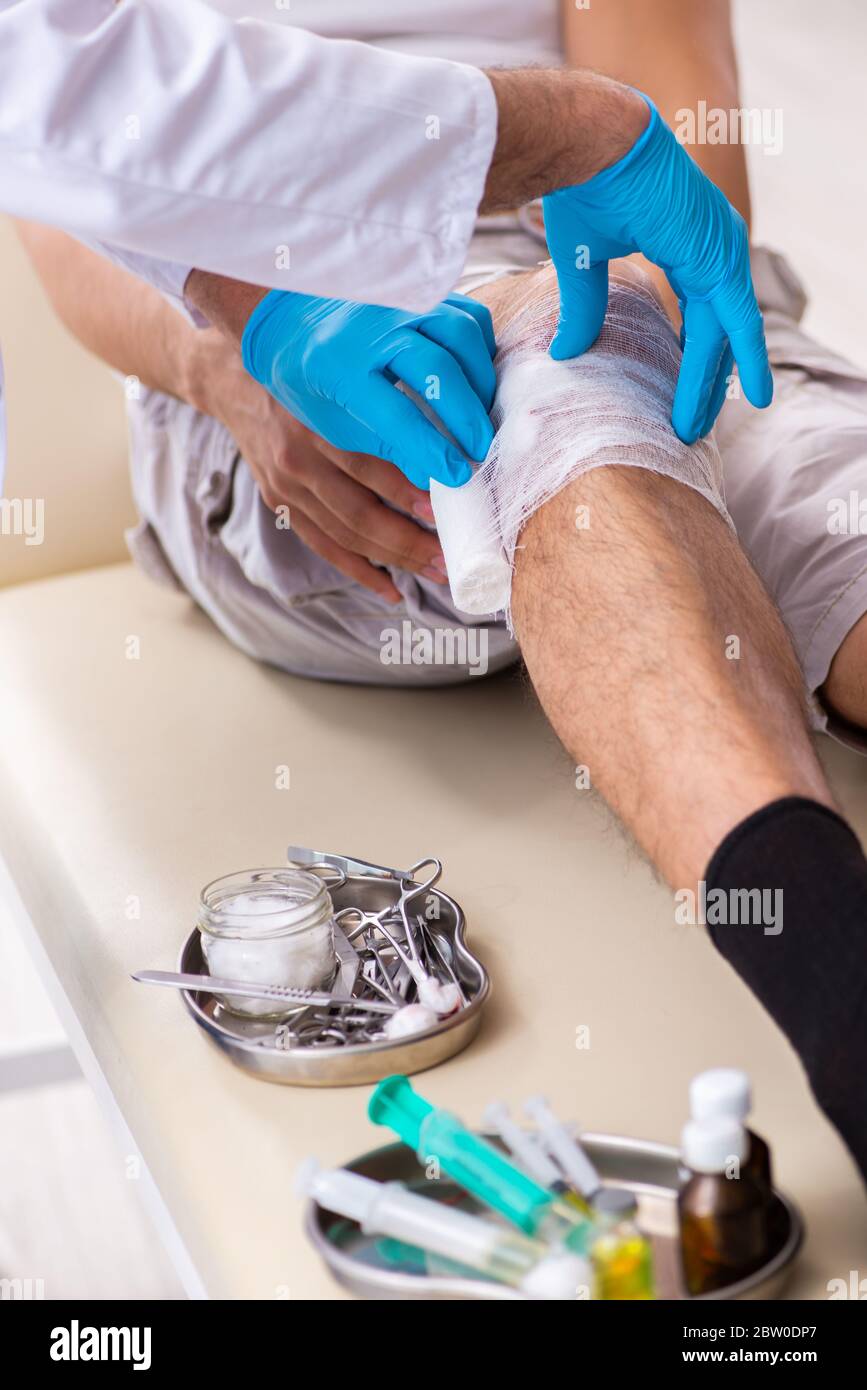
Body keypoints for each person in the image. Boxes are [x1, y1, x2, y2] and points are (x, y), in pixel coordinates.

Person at [16, 0, 867, 1184]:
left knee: (833, 505)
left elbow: (674, 138)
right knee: (559, 405)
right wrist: (240, 345)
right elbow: (60, 122)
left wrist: (625, 294)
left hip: (601, 251)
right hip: (251, 318)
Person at [0, 0, 770, 497]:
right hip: (254, 285)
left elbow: (677, 117)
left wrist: (637, 325)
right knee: (579, 449)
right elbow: (59, 124)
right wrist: (235, 338)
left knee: (818, 517)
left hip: (588, 239)